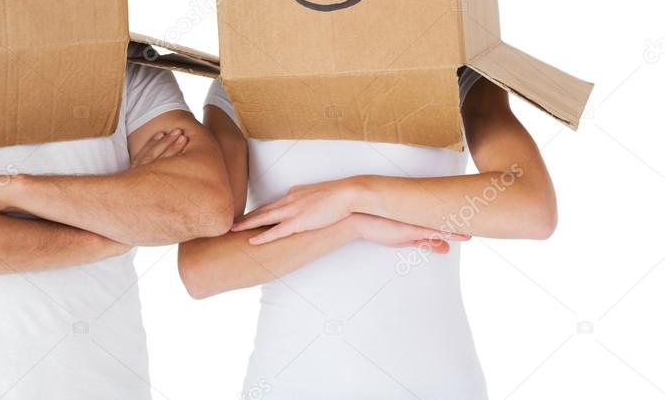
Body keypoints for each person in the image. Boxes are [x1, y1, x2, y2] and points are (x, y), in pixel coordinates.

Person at [0, 45, 232, 400]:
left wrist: (9, 190)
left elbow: (203, 205)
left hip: (106, 385)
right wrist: (105, 235)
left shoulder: (128, 66)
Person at [178, 68, 556, 399]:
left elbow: (532, 208)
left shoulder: (458, 70)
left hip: (437, 385)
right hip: (294, 385)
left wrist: (353, 193)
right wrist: (351, 224)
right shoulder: (241, 81)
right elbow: (202, 271)